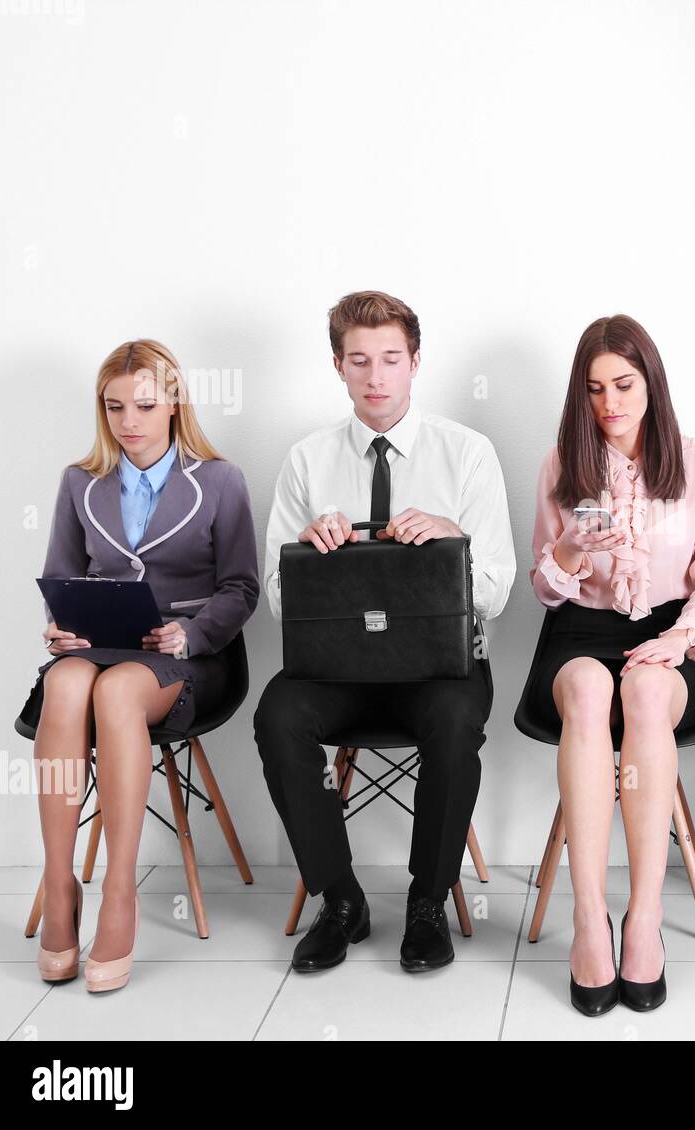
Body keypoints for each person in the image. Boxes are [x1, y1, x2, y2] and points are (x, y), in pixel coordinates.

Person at [254, 290, 515, 975]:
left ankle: (428, 902)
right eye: (360, 361)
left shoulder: (468, 453)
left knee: (456, 723)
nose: (376, 377)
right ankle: (340, 900)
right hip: (337, 673)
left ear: (416, 362)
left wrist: (453, 543)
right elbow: (280, 600)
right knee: (278, 715)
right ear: (337, 366)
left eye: (391, 359)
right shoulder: (307, 461)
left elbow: (500, 590)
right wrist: (306, 554)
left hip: (439, 671)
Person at [21, 339, 260, 992]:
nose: (130, 421)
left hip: (186, 656)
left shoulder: (218, 480)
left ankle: (119, 894)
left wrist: (190, 632)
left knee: (120, 691)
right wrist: (60, 630)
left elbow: (242, 589)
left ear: (175, 401)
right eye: (117, 407)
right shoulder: (81, 482)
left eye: (146, 405)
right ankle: (60, 881)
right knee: (66, 684)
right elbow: (62, 577)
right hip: (100, 641)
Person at [529, 314, 695, 1015]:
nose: (610, 404)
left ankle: (643, 919)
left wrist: (681, 639)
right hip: (579, 627)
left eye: (623, 384)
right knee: (590, 688)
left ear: (651, 381)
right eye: (594, 389)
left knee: (647, 691)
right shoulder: (562, 462)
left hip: (670, 628)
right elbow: (542, 586)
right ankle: (590, 919)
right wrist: (571, 551)